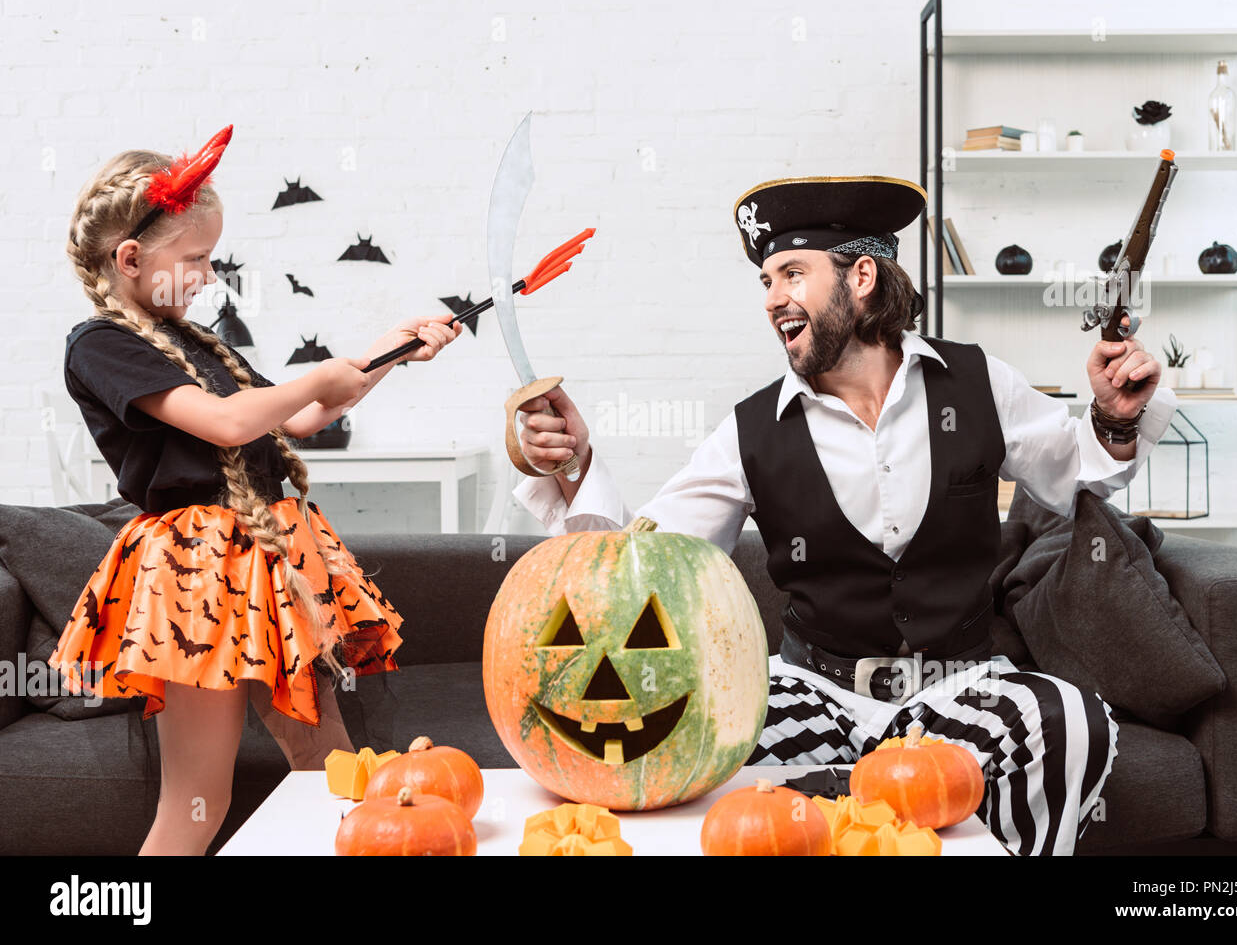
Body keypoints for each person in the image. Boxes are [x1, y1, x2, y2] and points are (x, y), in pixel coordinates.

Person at [511, 174, 1177, 856]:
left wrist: (1114, 418)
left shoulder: (978, 383)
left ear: (862, 276)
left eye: (792, 274)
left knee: (1068, 719)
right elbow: (638, 563)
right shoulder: (751, 431)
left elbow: (1079, 473)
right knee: (696, 738)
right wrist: (576, 464)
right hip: (810, 692)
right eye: (766, 282)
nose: (773, 299)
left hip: (959, 689)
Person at [48, 125, 463, 855]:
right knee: (198, 803)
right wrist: (323, 373)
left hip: (271, 565)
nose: (209, 277)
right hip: (195, 578)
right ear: (131, 258)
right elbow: (227, 421)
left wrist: (389, 351)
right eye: (196, 259)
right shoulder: (100, 346)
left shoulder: (202, 344)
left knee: (327, 772)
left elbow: (301, 414)